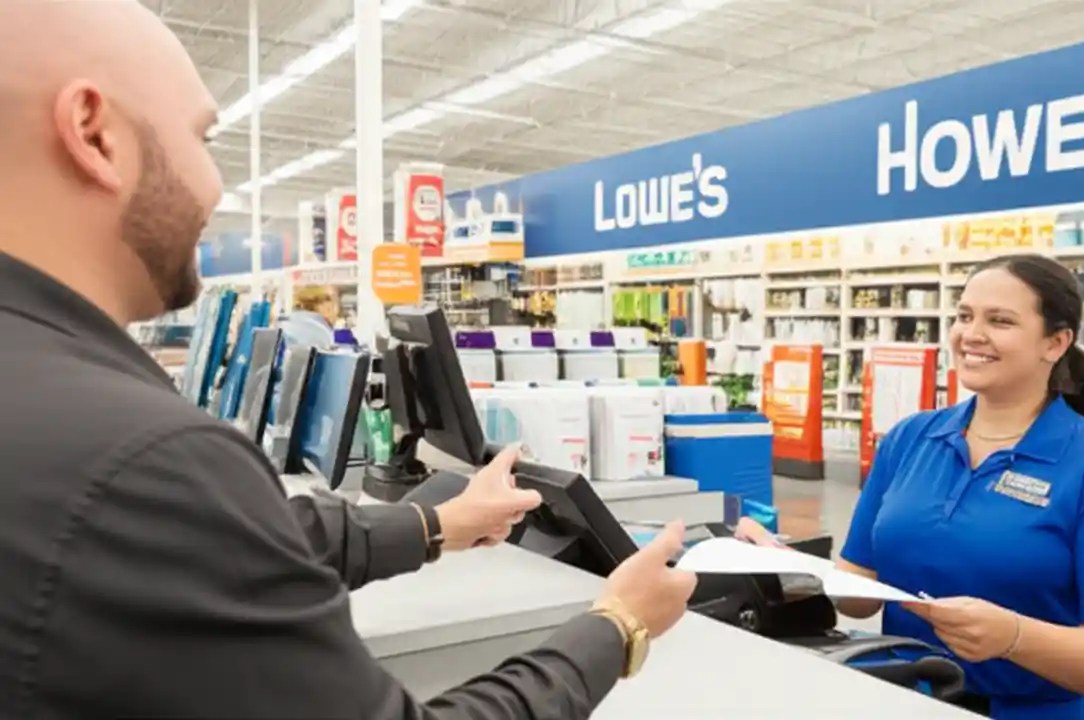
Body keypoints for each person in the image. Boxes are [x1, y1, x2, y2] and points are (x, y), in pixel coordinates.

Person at [0, 2, 696, 718]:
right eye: (202, 139)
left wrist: (438, 525)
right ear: (94, 132)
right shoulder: (147, 461)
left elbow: (242, 542)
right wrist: (618, 626)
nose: (214, 186)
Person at [740, 254, 1084, 720]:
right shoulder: (910, 439)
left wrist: (1015, 638)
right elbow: (858, 593)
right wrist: (791, 569)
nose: (971, 334)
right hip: (900, 699)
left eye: (999, 321)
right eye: (964, 316)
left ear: (1056, 342)